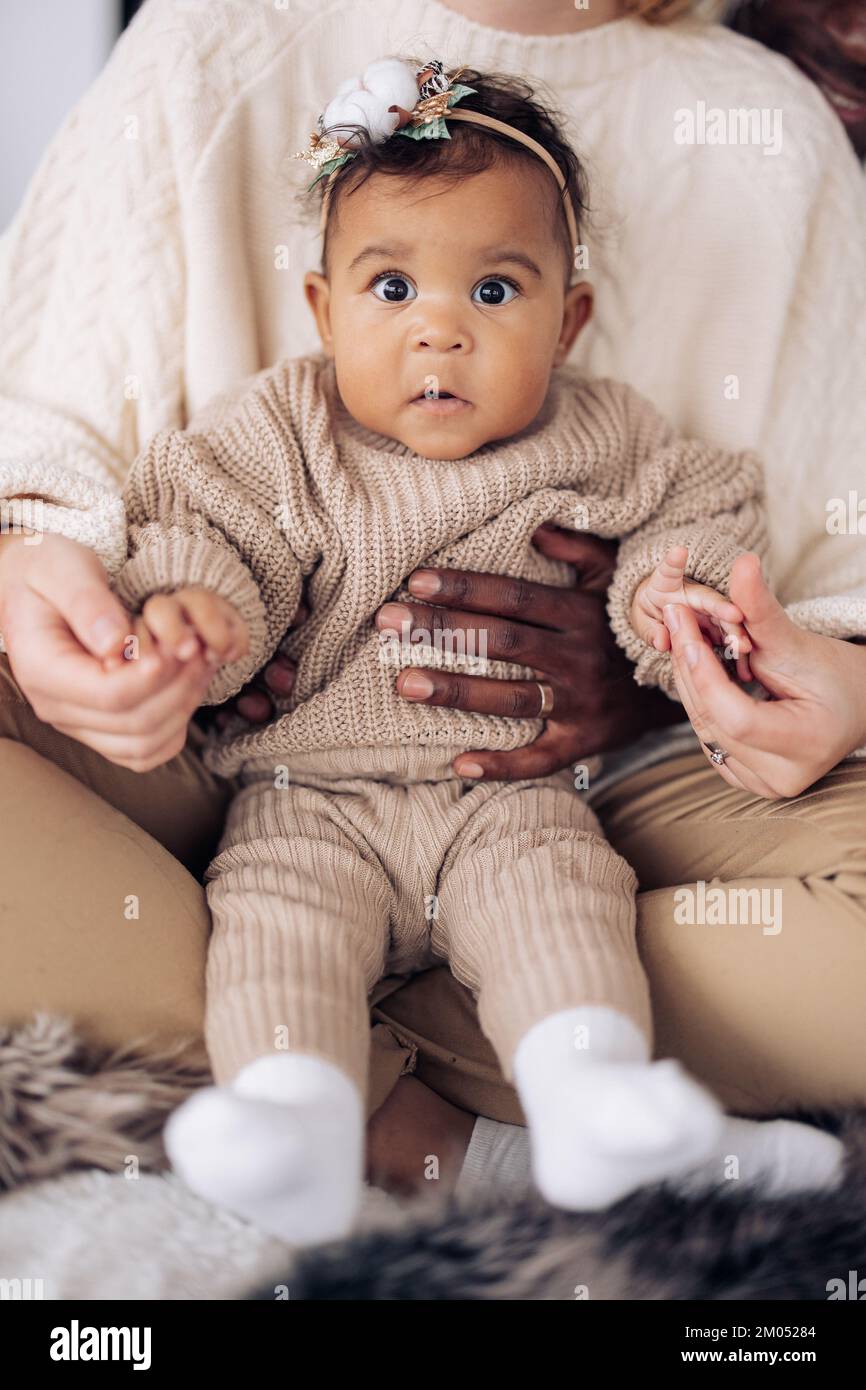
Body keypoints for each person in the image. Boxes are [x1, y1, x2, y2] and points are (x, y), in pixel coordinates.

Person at [1, 0, 864, 1203]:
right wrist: (178, 621)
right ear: (321, 309)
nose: (441, 334)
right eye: (392, 287)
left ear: (570, 324)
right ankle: (385, 1117)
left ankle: (560, 1089)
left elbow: (712, 532)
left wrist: (691, 629)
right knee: (284, 913)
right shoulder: (281, 418)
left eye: (496, 296)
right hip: (283, 783)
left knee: (552, 898)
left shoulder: (614, 427)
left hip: (535, 796)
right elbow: (204, 527)